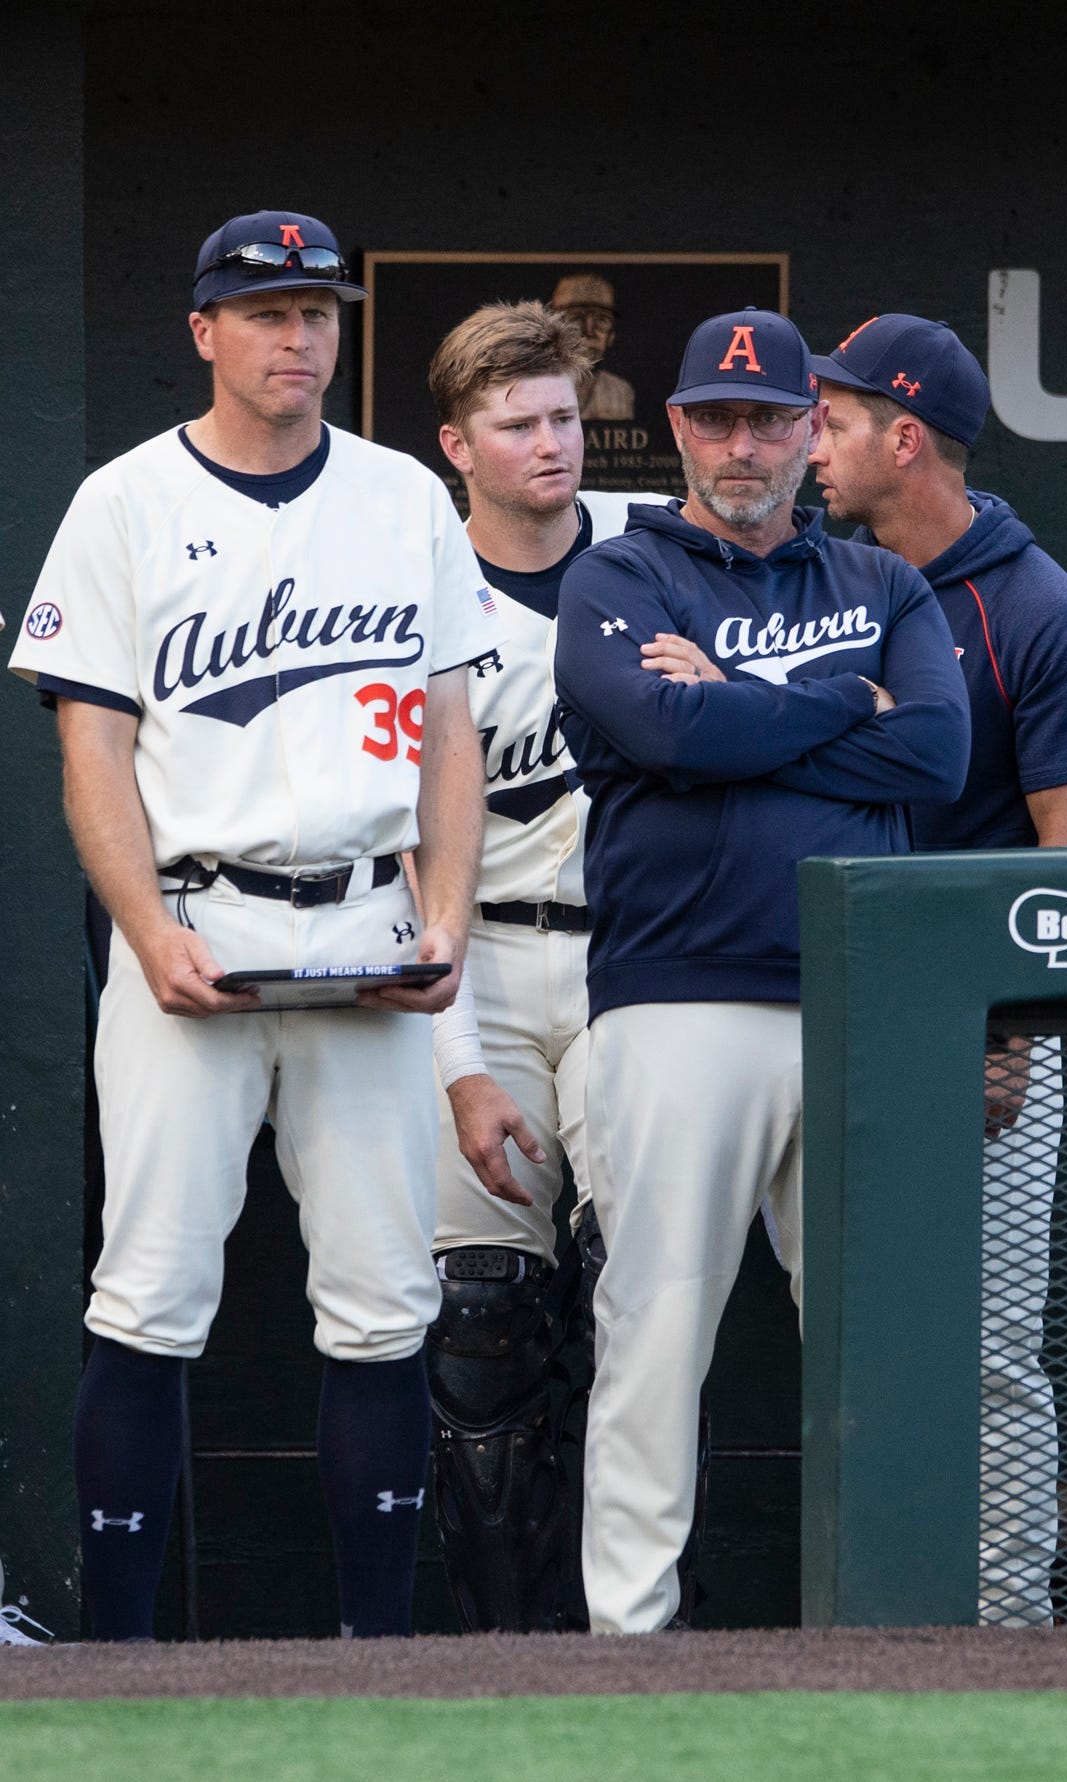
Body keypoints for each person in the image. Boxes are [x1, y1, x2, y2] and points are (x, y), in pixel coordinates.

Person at [7, 209, 498, 1639]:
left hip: (360, 925)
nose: (299, 335)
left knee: (383, 1304)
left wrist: (445, 919)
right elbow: (90, 745)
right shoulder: (122, 501)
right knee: (150, 1297)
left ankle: (377, 1651)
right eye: (267, 310)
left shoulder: (404, 495)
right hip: (200, 926)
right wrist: (148, 930)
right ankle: (116, 1648)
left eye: (320, 311)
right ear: (205, 331)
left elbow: (453, 733)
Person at [553, 309, 969, 1633]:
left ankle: (890, 1629)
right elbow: (659, 725)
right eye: (716, 418)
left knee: (874, 1341)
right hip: (676, 998)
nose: (742, 444)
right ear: (677, 427)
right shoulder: (620, 578)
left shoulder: (887, 588)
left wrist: (738, 702)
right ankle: (630, 1634)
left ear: (810, 431)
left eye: (770, 418)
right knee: (656, 1334)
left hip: (854, 1003)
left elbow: (936, 760)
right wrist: (850, 705)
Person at [809, 313, 1067, 1625]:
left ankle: (1007, 1619)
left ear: (903, 436)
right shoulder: (816, 580)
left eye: (827, 423)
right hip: (826, 1007)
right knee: (843, 1346)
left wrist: (1012, 1031)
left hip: (976, 1034)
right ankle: (864, 1613)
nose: (804, 447)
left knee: (990, 1349)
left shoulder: (1045, 613)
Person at [417, 300, 667, 1631]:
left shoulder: (660, 544)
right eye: (517, 425)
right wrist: (452, 1057)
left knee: (639, 1288)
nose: (551, 444)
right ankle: (509, 1652)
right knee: (481, 1323)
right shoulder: (413, 584)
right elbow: (403, 853)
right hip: (487, 968)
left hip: (639, 961)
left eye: (565, 417)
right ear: (459, 443)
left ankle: (635, 1626)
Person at [551, 274, 635, 421]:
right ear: (554, 330)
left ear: (611, 335)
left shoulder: (620, 392)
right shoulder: (536, 388)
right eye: (576, 318)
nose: (589, 330)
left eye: (601, 320)